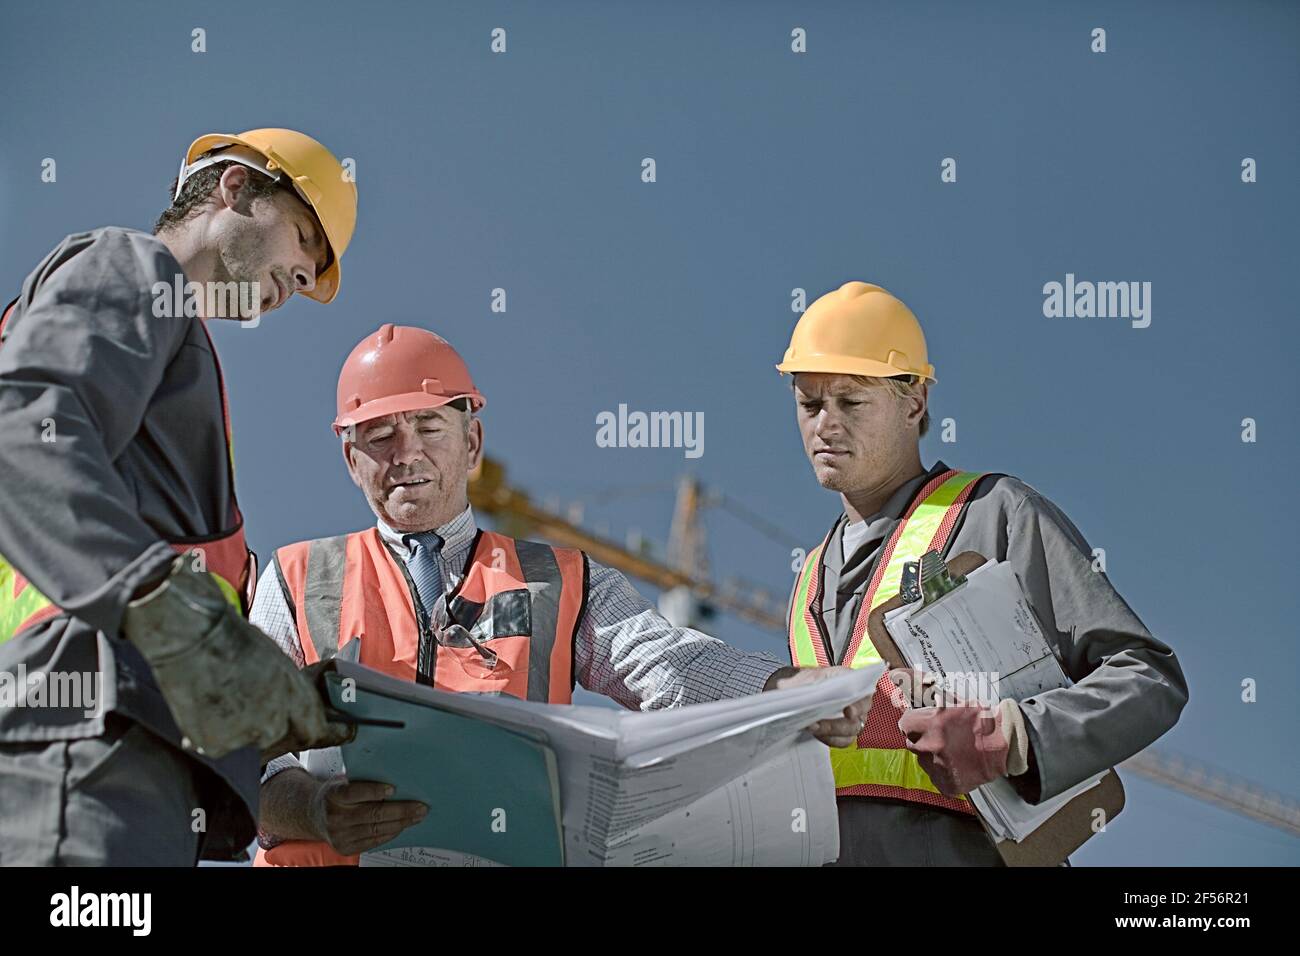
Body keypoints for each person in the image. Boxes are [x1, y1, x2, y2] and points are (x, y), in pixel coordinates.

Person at [254, 323, 870, 865]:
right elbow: (236, 759)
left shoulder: (559, 579)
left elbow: (665, 664)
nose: (406, 453)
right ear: (349, 457)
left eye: (428, 426)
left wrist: (781, 688)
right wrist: (312, 808)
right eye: (379, 434)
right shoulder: (298, 579)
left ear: (471, 444)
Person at [0, 128, 358, 865]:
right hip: (85, 740)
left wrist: (269, 699)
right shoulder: (134, 270)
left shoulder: (176, 360)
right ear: (235, 188)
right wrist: (172, 616)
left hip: (124, 758)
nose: (298, 278)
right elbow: (23, 432)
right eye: (301, 239)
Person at [776, 281, 1188, 865]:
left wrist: (1017, 736)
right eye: (810, 403)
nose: (826, 425)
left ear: (913, 403)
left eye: (851, 401)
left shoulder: (996, 513)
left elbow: (1148, 679)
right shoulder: (808, 581)